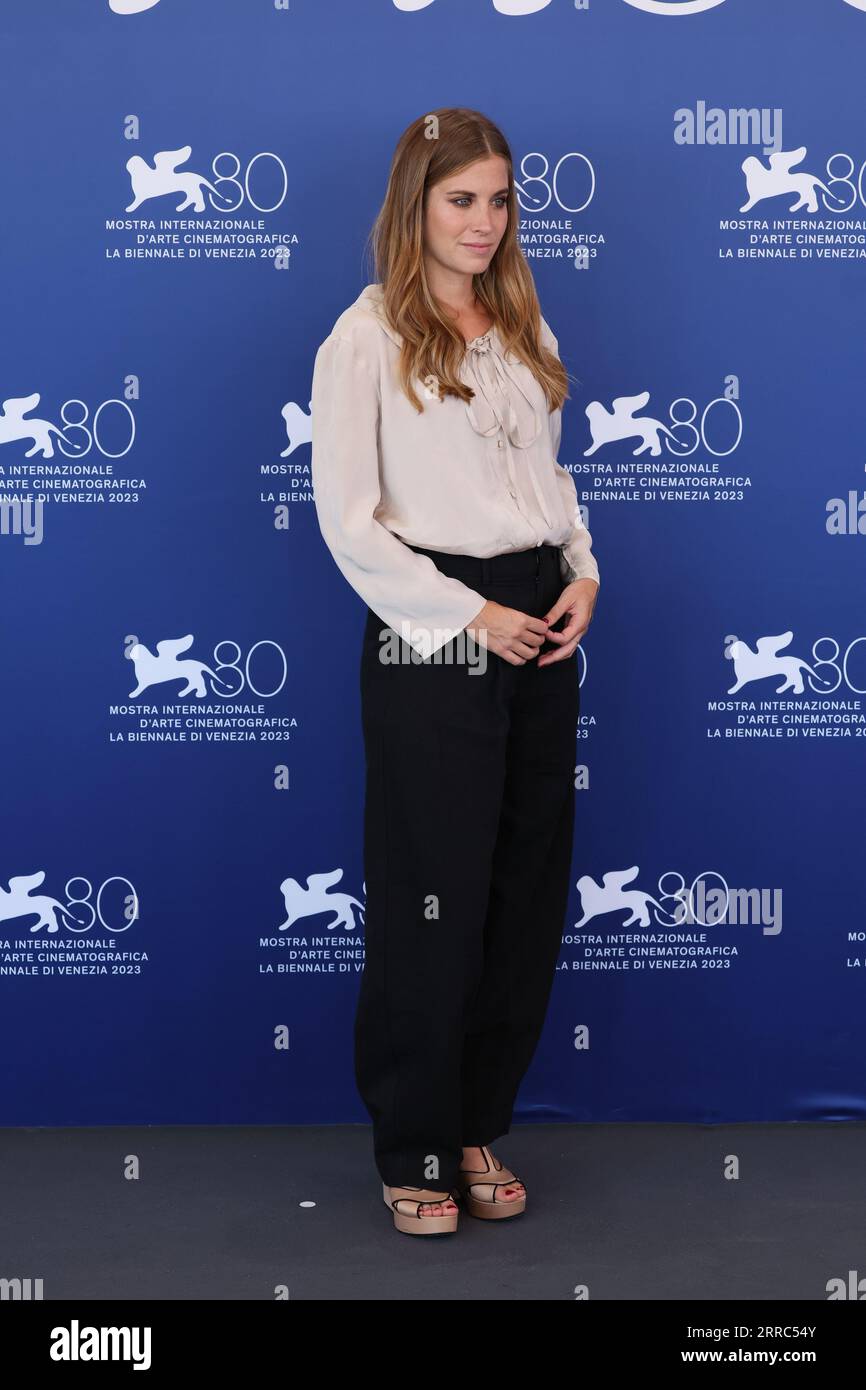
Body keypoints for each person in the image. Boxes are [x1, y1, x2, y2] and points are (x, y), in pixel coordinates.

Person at [310, 108, 600, 1238]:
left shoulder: (517, 319)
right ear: (415, 204)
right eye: (459, 199)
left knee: (523, 882)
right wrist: (467, 612)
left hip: (537, 616)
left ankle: (478, 1121)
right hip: (431, 624)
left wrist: (579, 571)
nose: (483, 222)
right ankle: (414, 1143)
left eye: (497, 198)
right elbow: (348, 522)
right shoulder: (366, 336)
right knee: (431, 891)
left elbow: (548, 482)